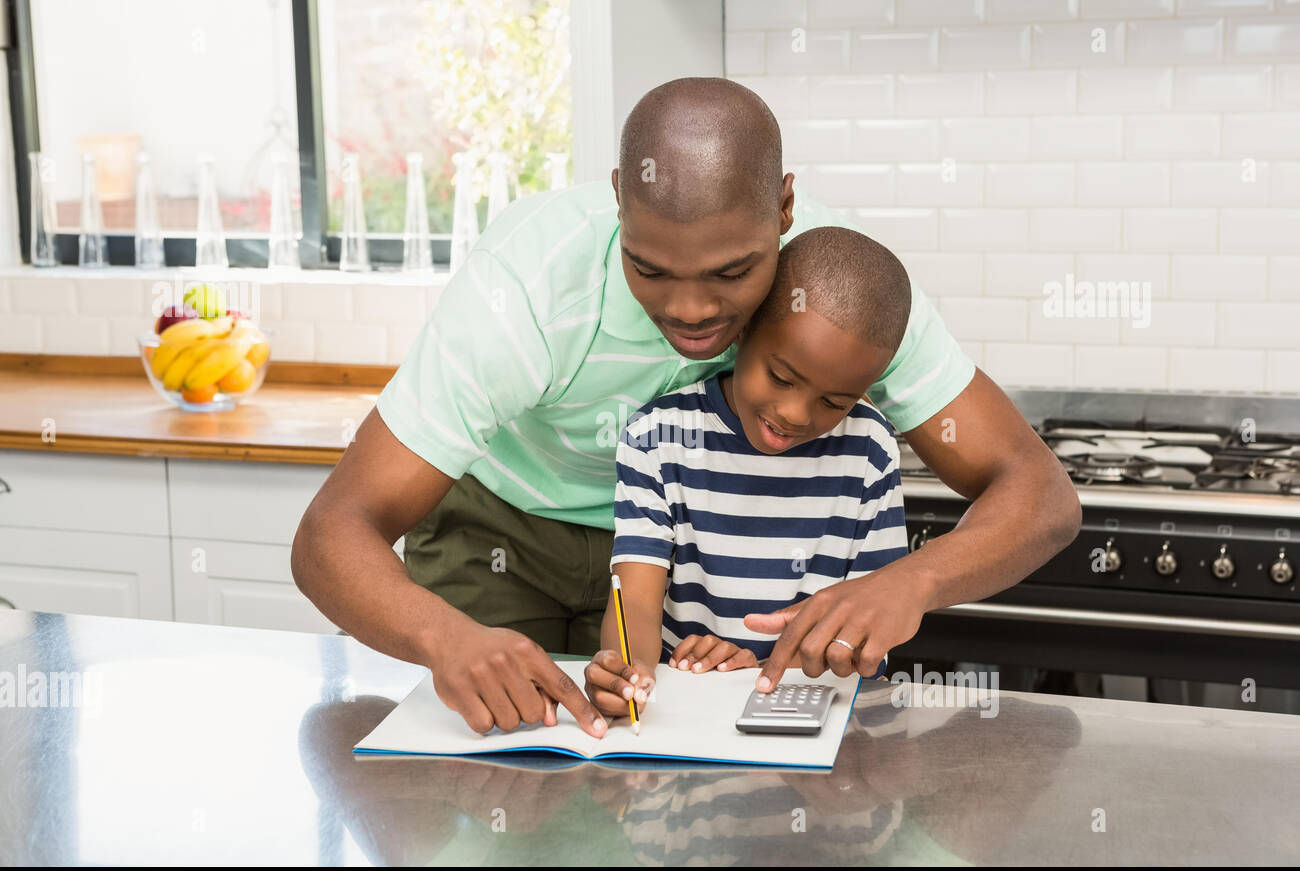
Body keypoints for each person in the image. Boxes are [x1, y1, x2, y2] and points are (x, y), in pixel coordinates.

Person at [291, 77, 1080, 738]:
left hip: (701, 556)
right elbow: (332, 534)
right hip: (506, 534)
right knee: (507, 779)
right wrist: (447, 639)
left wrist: (911, 582)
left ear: (783, 210)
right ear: (615, 207)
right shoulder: (524, 289)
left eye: (732, 272)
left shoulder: (842, 289)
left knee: (678, 780)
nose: (693, 309)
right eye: (651, 269)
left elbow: (1039, 493)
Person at [584, 226, 910, 716]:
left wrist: (757, 671)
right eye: (781, 377)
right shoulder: (657, 436)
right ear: (743, 332)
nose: (797, 414)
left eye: (835, 401)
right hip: (687, 715)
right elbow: (635, 599)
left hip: (813, 722)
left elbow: (866, 638)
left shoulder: (871, 450)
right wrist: (629, 670)